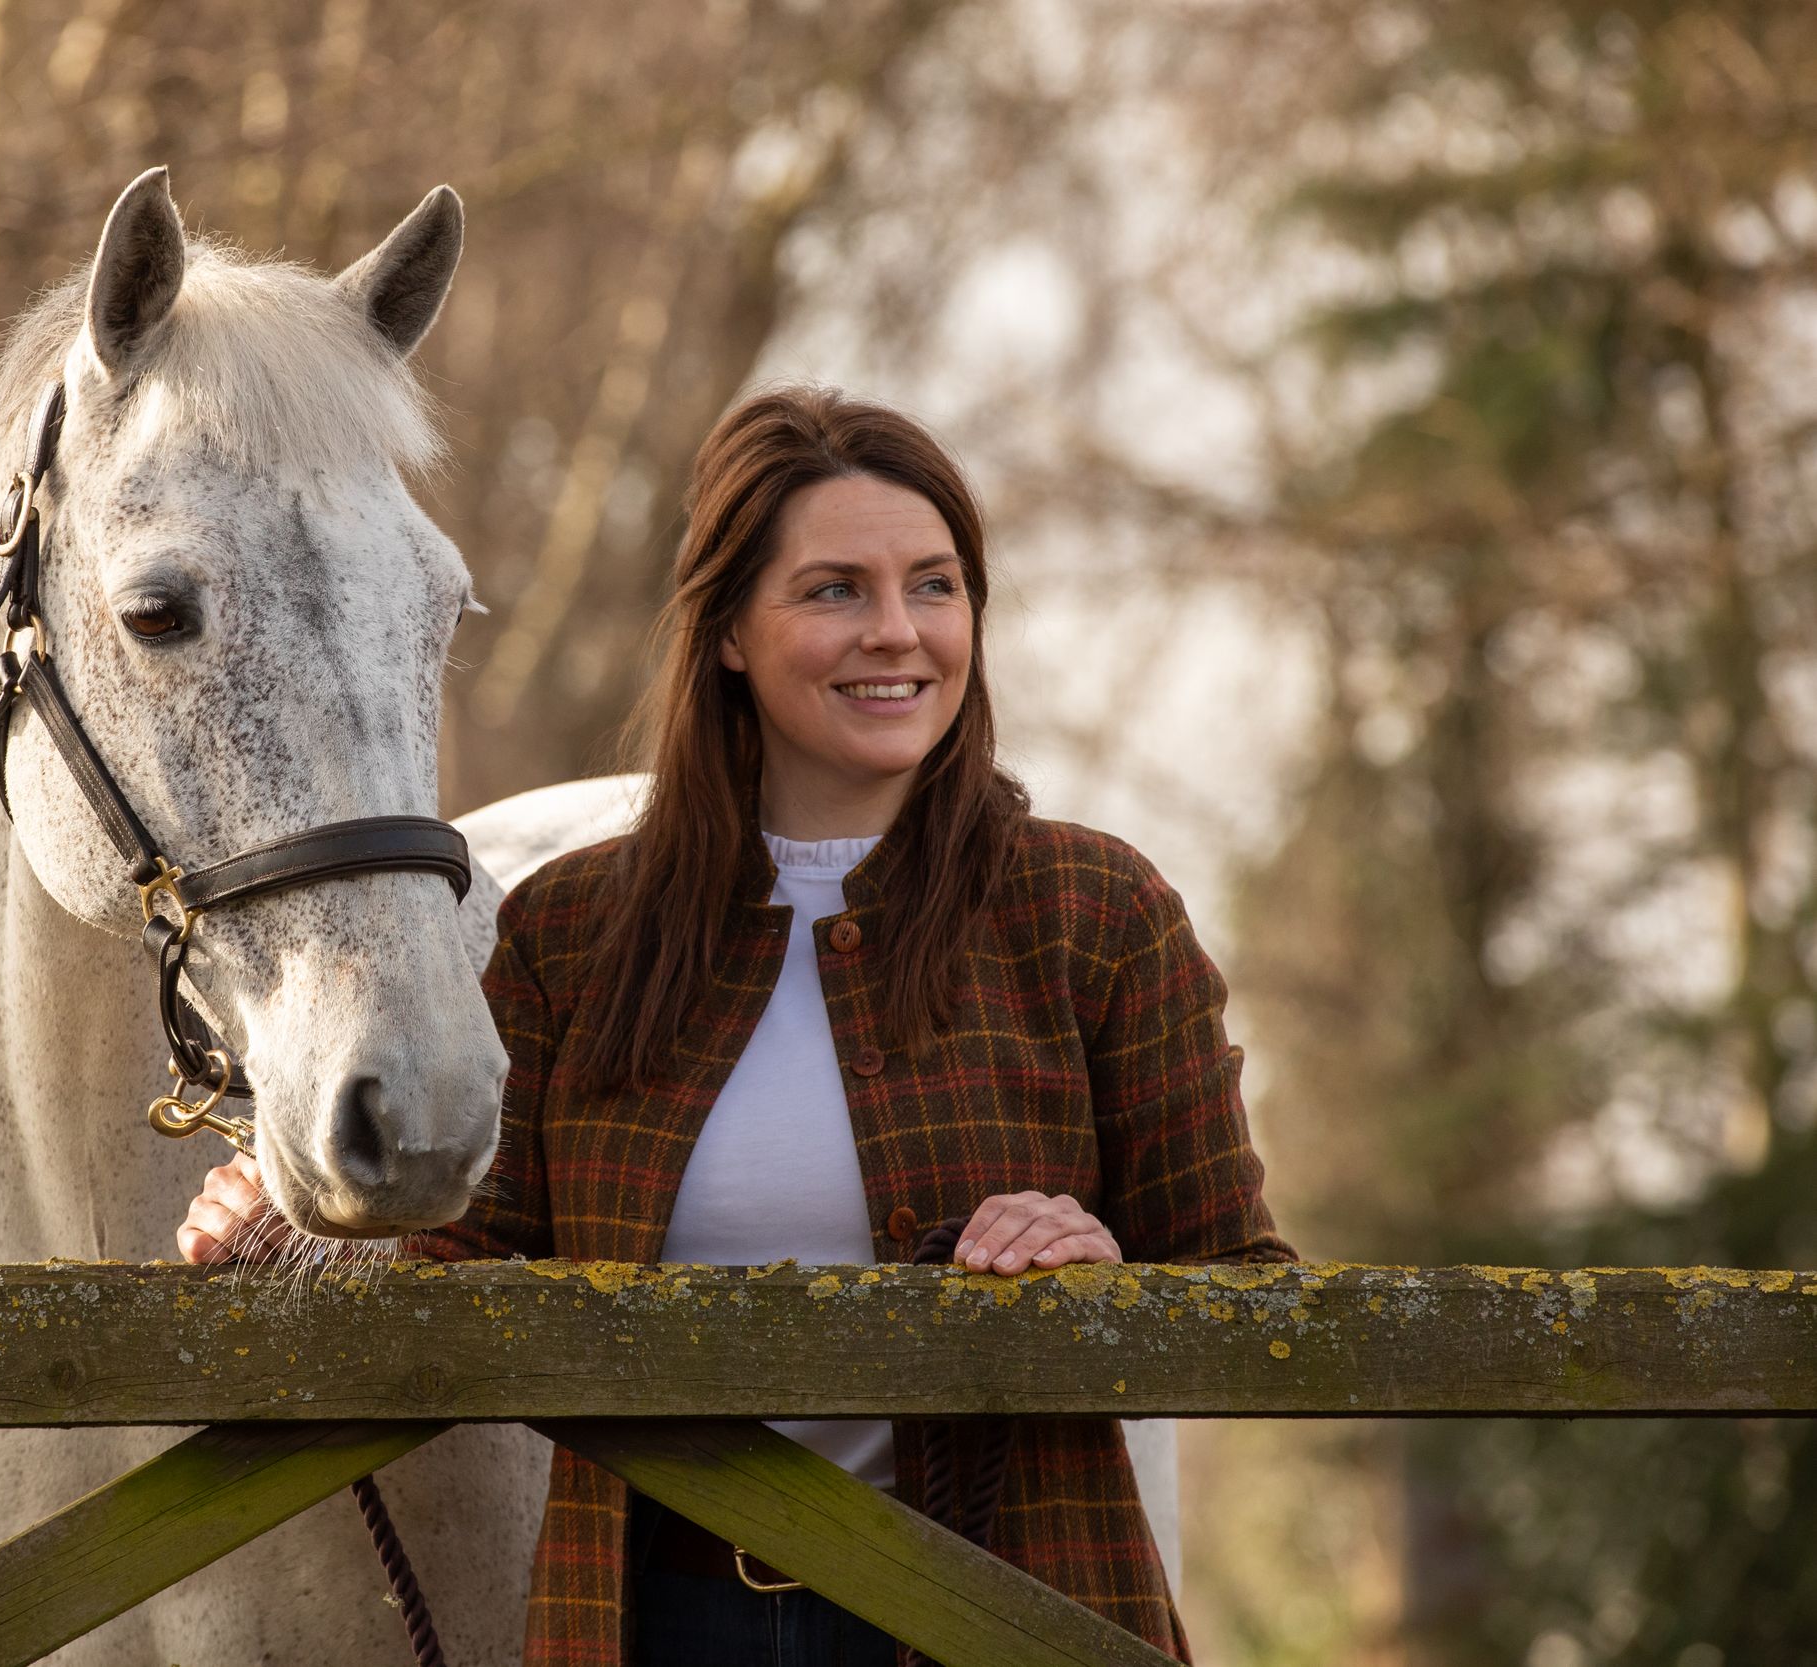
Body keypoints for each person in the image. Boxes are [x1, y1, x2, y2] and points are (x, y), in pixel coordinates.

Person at [179, 383, 1296, 1665]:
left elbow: (1243, 1292)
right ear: (726, 633)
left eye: (934, 585)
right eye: (833, 591)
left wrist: (1099, 1265)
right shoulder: (573, 932)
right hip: (656, 1622)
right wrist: (296, 1246)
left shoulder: (1093, 909)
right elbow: (462, 1269)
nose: (898, 632)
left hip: (1009, 1610)